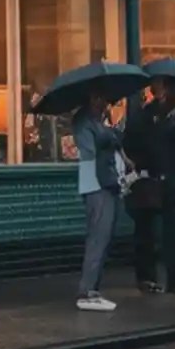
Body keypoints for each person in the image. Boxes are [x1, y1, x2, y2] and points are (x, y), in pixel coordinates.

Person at [123, 76, 175, 295]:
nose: (172, 95)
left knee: (174, 232)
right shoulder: (144, 115)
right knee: (146, 231)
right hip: (150, 179)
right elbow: (131, 143)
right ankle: (146, 277)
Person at [73, 90, 125, 311]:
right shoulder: (84, 122)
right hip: (95, 183)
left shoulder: (97, 121)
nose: (103, 102)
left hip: (105, 182)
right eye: (99, 98)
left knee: (103, 236)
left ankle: (93, 288)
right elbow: (91, 152)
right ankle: (87, 290)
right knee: (98, 236)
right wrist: (111, 135)